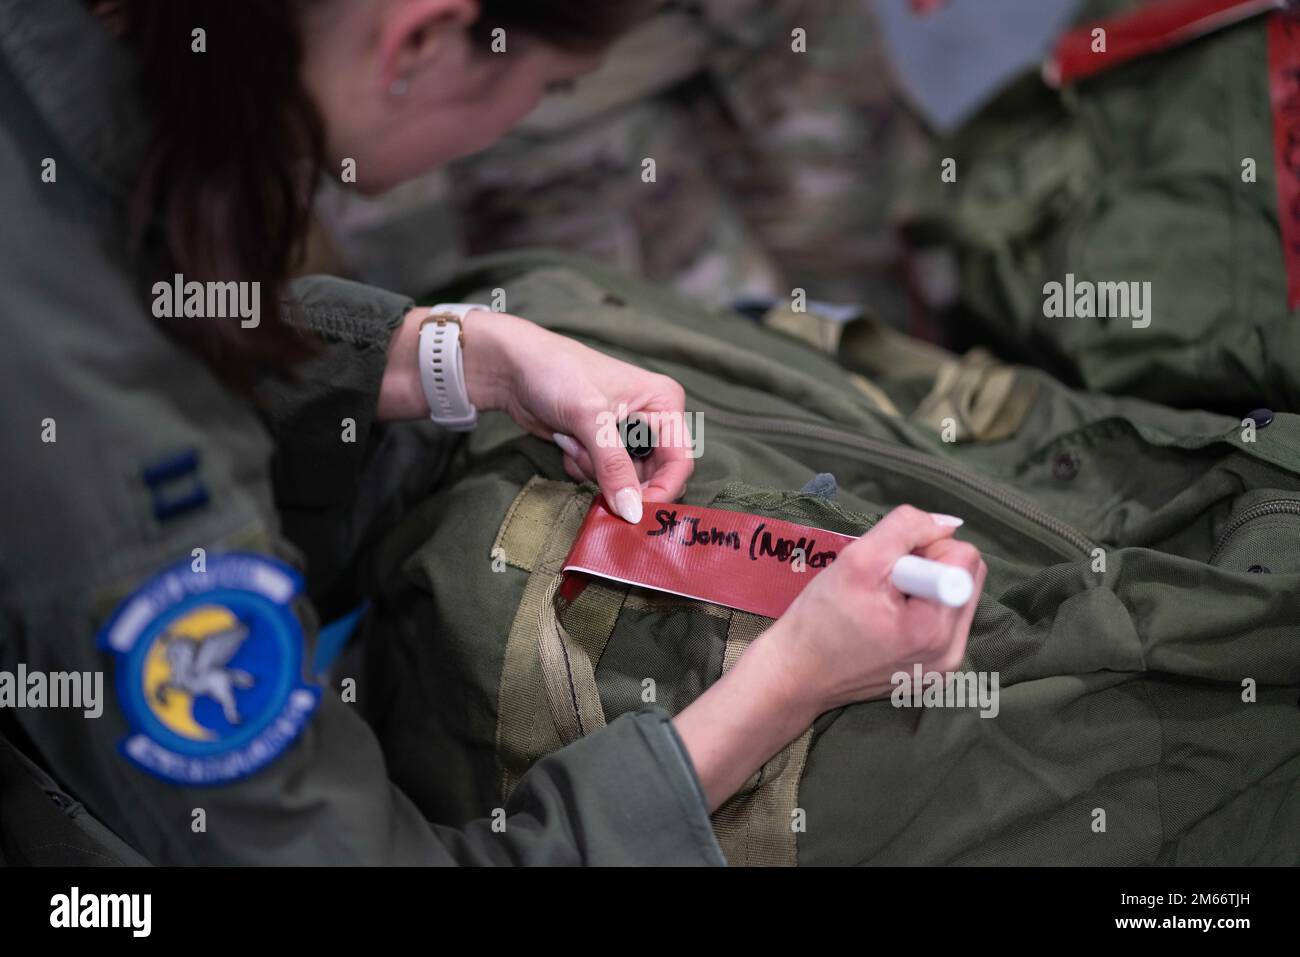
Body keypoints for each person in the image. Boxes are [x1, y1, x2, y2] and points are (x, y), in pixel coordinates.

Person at [0, 0, 984, 865]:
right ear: (421, 40)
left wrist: (453, 352)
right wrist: (788, 684)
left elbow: (130, 296)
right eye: (555, 83)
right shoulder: (142, 514)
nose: (530, 118)